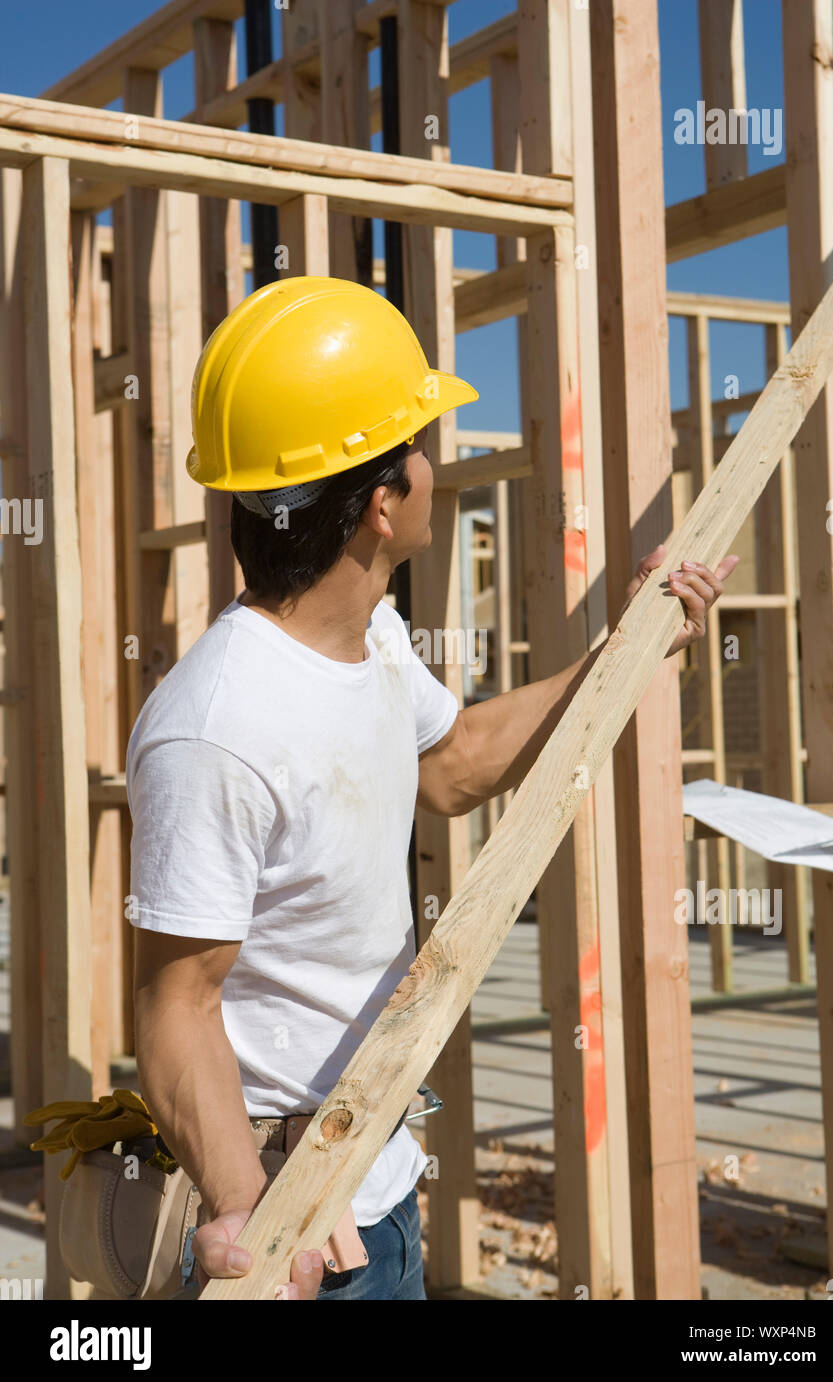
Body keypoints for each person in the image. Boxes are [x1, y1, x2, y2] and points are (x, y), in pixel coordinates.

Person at [128, 277, 737, 1301]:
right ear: (379, 503)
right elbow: (174, 1005)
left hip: (381, 1176)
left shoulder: (367, 643)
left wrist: (630, 645)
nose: (430, 464)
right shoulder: (215, 725)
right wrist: (253, 1219)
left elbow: (455, 763)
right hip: (295, 1212)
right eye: (418, 444)